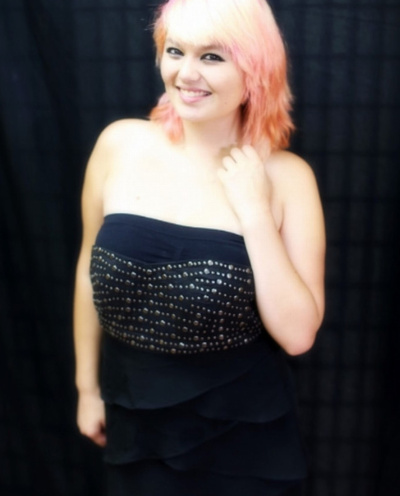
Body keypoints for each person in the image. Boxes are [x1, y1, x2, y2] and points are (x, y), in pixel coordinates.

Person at [73, 0, 325, 494]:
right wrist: (86, 388)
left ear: (255, 70)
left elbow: (298, 335)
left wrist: (254, 212)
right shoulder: (118, 146)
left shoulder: (289, 179)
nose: (186, 73)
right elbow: (88, 270)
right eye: (175, 51)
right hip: (134, 430)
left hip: (244, 448)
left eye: (212, 56)